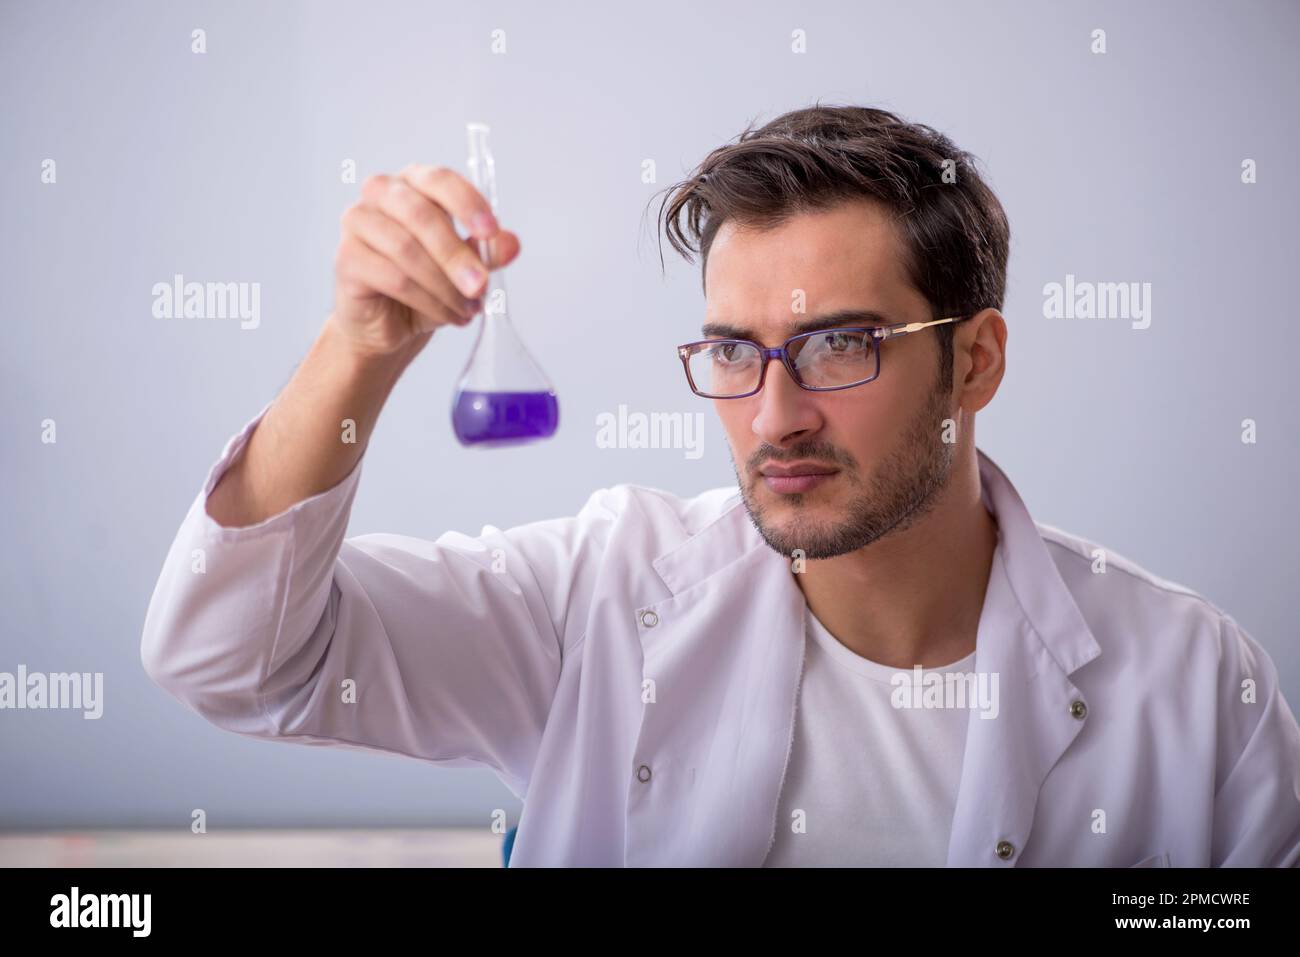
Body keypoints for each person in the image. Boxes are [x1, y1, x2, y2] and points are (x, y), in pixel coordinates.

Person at [140, 104, 1300, 867]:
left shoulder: (1196, 690)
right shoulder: (594, 602)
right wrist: (361, 347)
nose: (774, 414)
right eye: (733, 352)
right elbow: (232, 659)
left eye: (842, 346)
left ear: (976, 361)